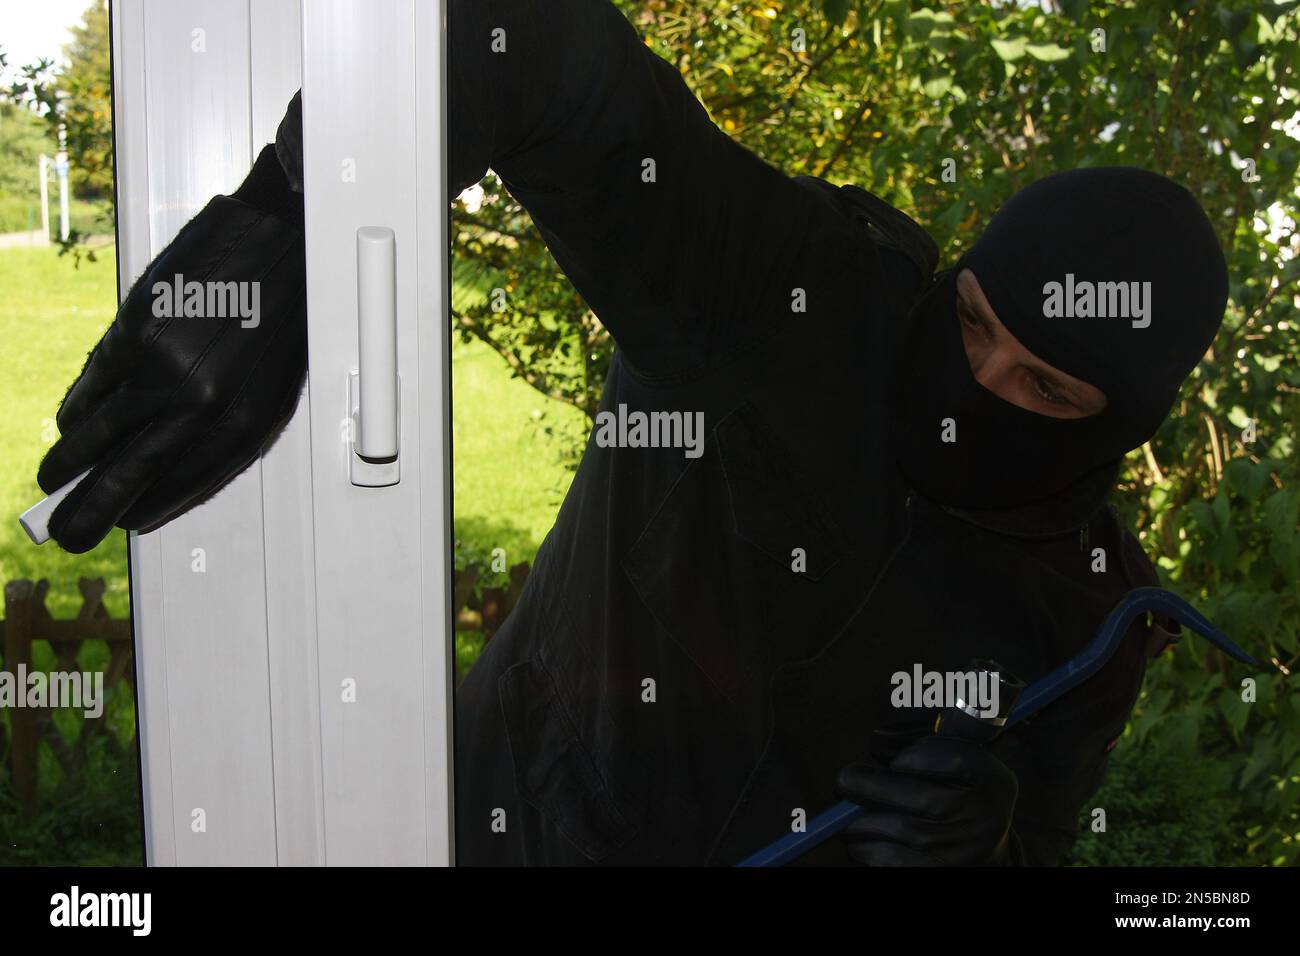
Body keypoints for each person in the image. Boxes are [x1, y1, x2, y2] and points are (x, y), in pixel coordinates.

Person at [37, 0, 1227, 866]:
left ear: (1118, 430)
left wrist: (996, 836)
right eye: (972, 323)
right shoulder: (786, 290)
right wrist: (284, 227)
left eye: (1044, 392)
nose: (979, 381)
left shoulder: (1092, 617)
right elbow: (535, 46)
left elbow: (1049, 844)